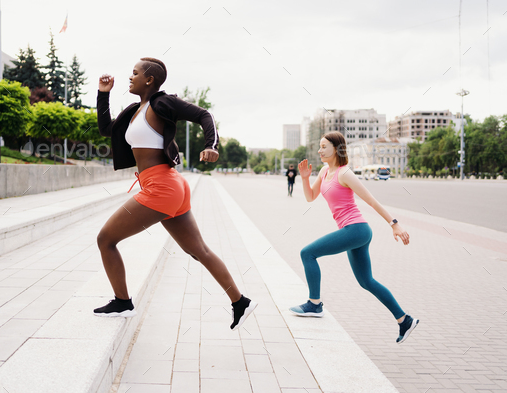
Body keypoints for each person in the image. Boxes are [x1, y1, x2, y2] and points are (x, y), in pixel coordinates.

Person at [93, 57, 257, 330]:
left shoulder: (163, 103)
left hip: (162, 187)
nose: (129, 77)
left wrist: (211, 145)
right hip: (170, 186)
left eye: (134, 73)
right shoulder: (135, 110)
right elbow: (106, 129)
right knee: (199, 251)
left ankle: (122, 302)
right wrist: (103, 94)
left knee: (105, 239)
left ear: (149, 80)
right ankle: (240, 301)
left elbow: (204, 114)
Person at [289, 131, 418, 344]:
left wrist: (394, 224)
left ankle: (314, 303)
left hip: (356, 229)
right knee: (366, 281)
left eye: (324, 146)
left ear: (337, 148)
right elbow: (310, 197)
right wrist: (305, 178)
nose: (319, 151)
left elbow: (371, 200)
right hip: (355, 232)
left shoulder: (345, 173)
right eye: (319, 147)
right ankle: (404, 320)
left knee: (307, 253)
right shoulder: (323, 171)